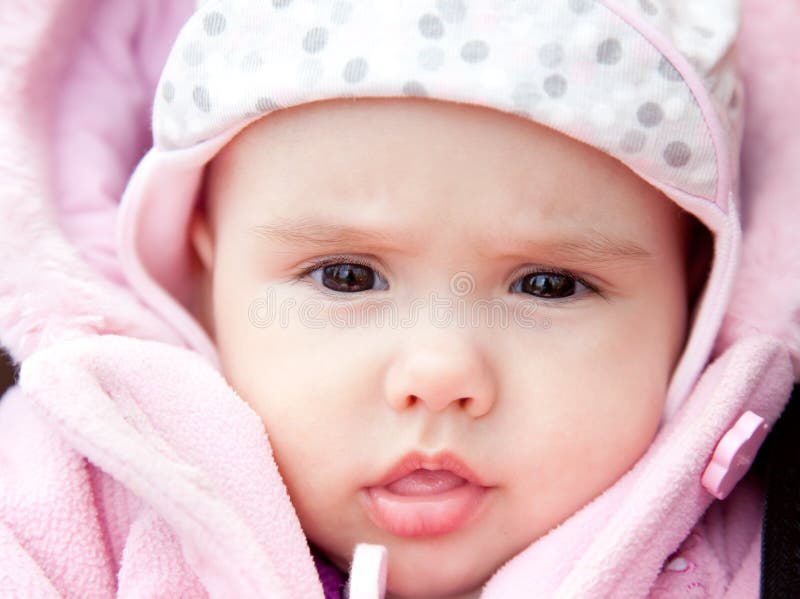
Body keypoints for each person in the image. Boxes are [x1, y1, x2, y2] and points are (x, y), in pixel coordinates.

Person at [0, 1, 798, 598]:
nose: (441, 372)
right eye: (348, 276)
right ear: (203, 273)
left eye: (547, 284)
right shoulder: (69, 499)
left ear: (692, 293)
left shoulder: (751, 554)